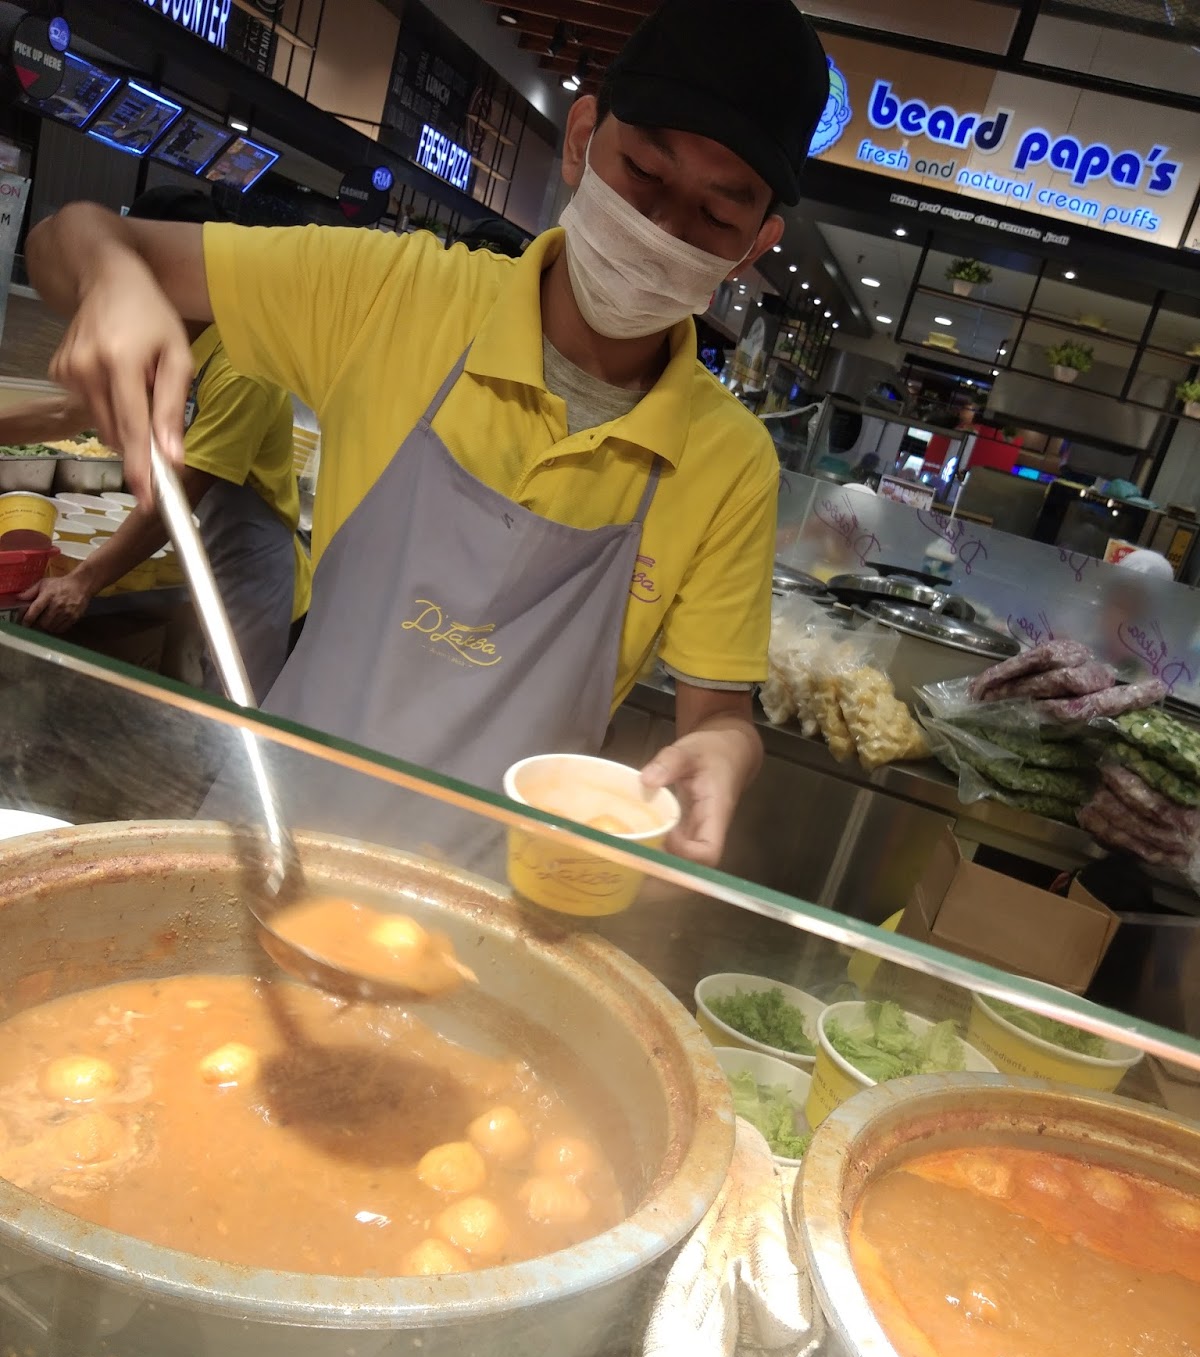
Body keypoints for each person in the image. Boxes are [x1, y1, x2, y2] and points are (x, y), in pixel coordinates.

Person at [19, 0, 831, 865]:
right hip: (277, 842)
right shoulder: (398, 294)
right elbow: (70, 239)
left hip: (493, 899)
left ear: (753, 248)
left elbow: (718, 714)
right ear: (582, 138)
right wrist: (113, 277)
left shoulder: (730, 461)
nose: (660, 232)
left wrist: (725, 751)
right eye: (644, 173)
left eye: (715, 218)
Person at [14, 186, 310, 702]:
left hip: (258, 569)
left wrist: (83, 581)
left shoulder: (244, 366)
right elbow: (68, 414)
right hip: (213, 549)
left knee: (237, 709)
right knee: (206, 690)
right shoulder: (174, 342)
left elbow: (178, 495)